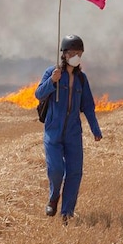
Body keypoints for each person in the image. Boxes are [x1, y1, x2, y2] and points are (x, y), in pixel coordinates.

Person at [34, 34, 102, 224]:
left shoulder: (82, 79)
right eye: (72, 52)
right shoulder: (52, 72)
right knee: (56, 170)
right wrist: (51, 82)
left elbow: (88, 105)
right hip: (53, 133)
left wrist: (95, 129)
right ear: (63, 54)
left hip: (73, 133)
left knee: (74, 172)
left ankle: (67, 213)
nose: (75, 55)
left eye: (78, 52)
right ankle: (54, 197)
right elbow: (38, 94)